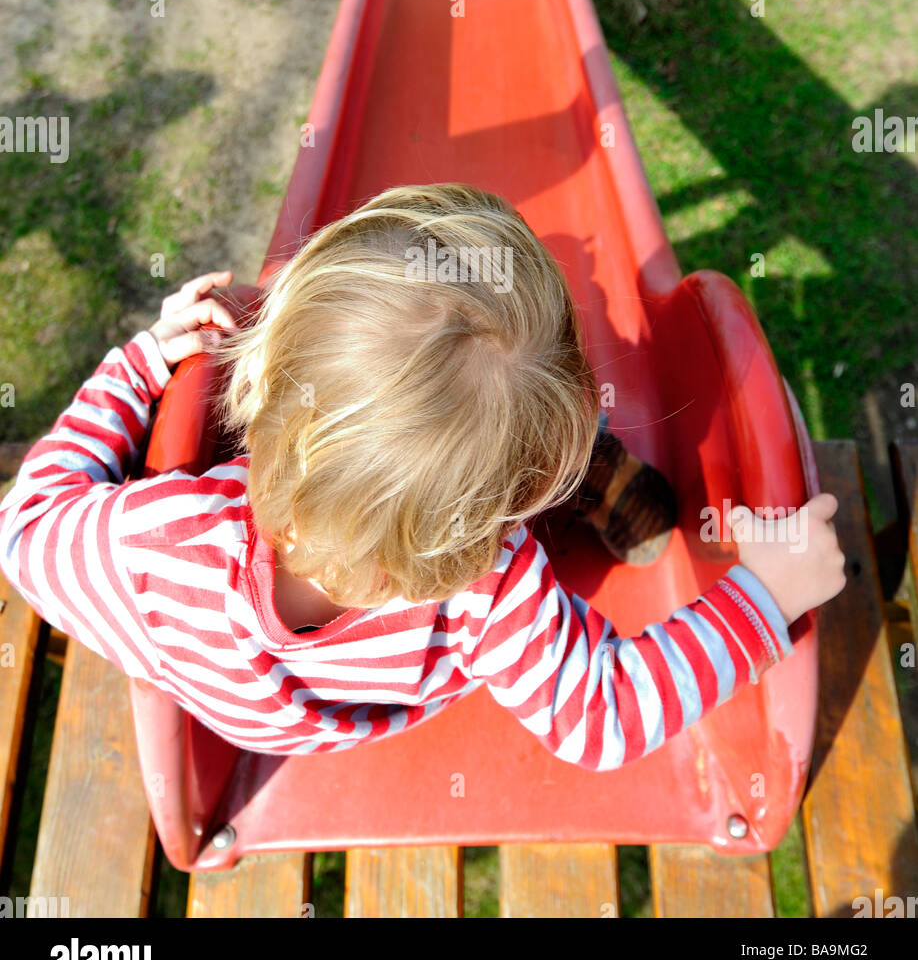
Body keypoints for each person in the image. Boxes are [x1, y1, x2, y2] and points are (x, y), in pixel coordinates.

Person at [0, 183, 845, 768]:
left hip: (280, 724)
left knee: (470, 431)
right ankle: (587, 467)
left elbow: (25, 526)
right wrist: (766, 598)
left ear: (260, 390)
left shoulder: (157, 542)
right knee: (504, 429)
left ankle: (560, 457)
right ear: (509, 515)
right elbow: (606, 714)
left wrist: (140, 365)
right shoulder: (494, 584)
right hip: (418, 665)